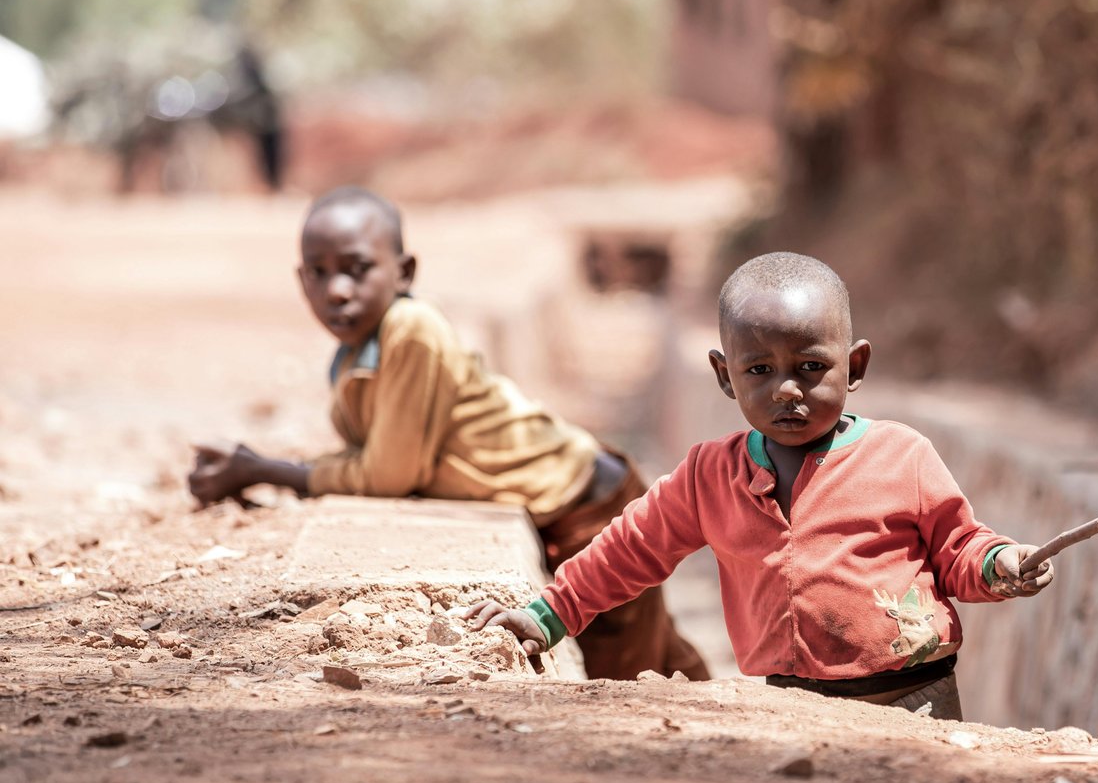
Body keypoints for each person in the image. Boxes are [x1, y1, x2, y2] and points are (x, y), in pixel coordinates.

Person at [466, 252, 1053, 719]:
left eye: (810, 367)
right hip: (786, 707)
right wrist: (549, 614)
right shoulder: (709, 475)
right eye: (759, 370)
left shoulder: (902, 456)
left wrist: (1001, 564)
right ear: (725, 376)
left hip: (914, 700)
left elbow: (958, 549)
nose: (787, 390)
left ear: (855, 366)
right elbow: (629, 549)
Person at [187, 186, 709, 682]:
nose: (337, 290)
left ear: (404, 271)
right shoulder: (357, 349)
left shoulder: (410, 329)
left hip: (588, 505)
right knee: (656, 647)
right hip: (570, 502)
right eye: (318, 274)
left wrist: (265, 470)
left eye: (357, 269)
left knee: (622, 669)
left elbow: (389, 474)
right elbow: (377, 455)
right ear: (300, 280)